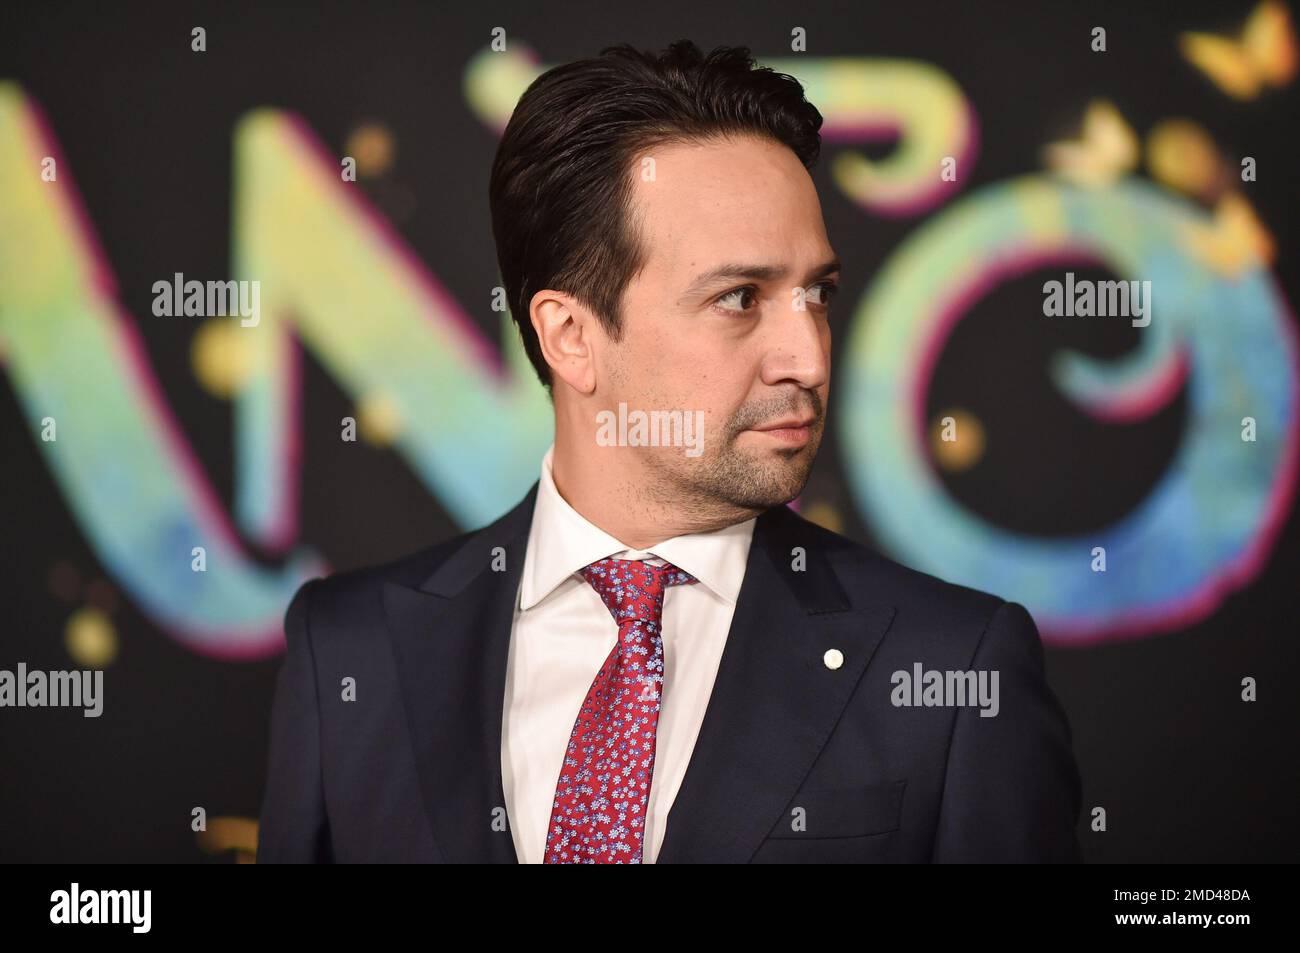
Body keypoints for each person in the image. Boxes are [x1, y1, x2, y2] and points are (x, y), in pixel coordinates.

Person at [258, 39, 1082, 863]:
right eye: (738, 298)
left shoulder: (955, 667)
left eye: (817, 295)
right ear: (571, 337)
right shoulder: (350, 652)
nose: (810, 357)